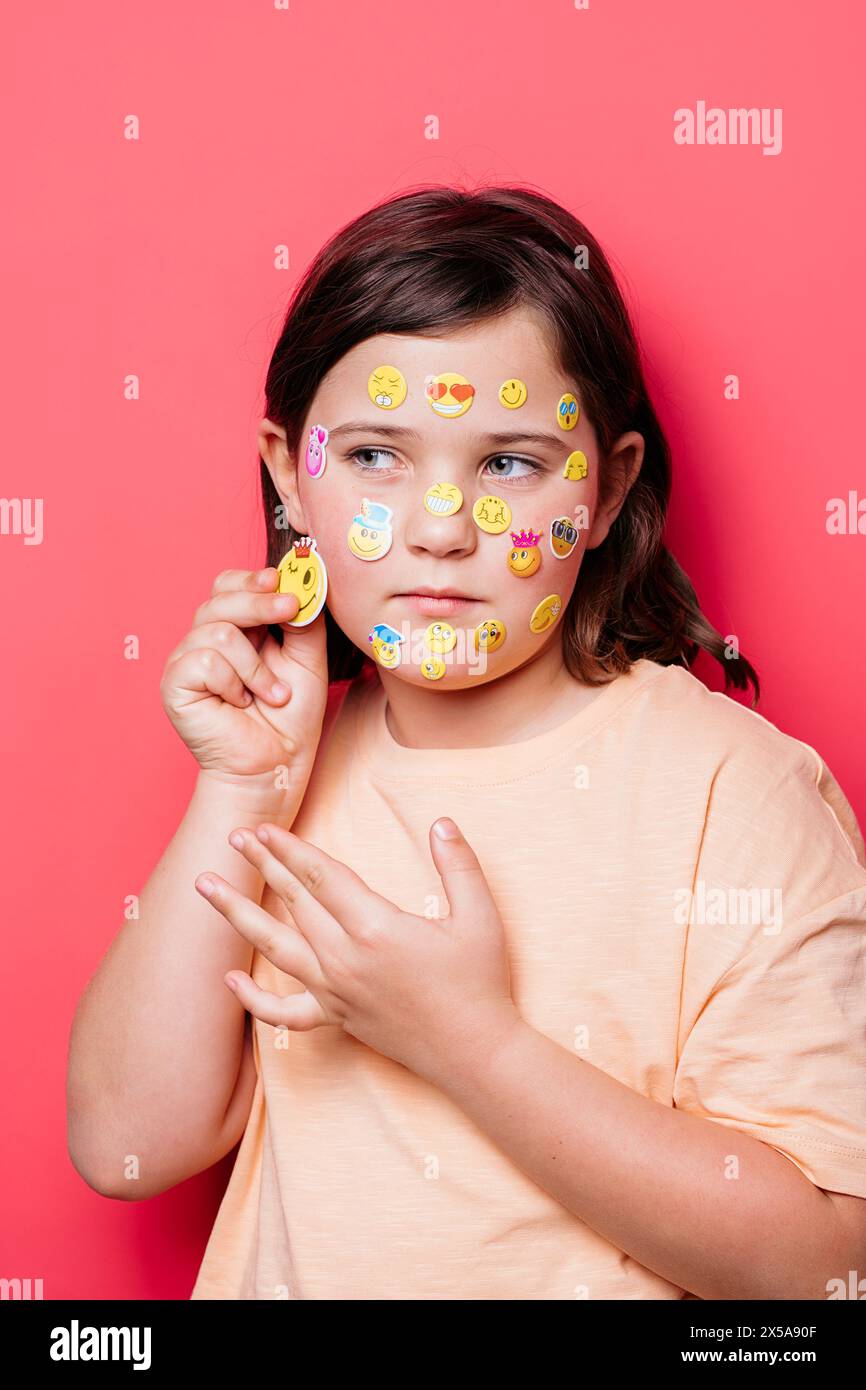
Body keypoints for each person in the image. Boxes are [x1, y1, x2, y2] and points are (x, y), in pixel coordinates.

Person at [67, 186, 866, 1300]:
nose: (441, 528)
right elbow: (124, 1144)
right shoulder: (280, 771)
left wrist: (466, 1042)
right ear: (290, 473)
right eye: (378, 457)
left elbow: (824, 1268)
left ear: (604, 491)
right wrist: (238, 786)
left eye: (507, 465)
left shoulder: (735, 793)